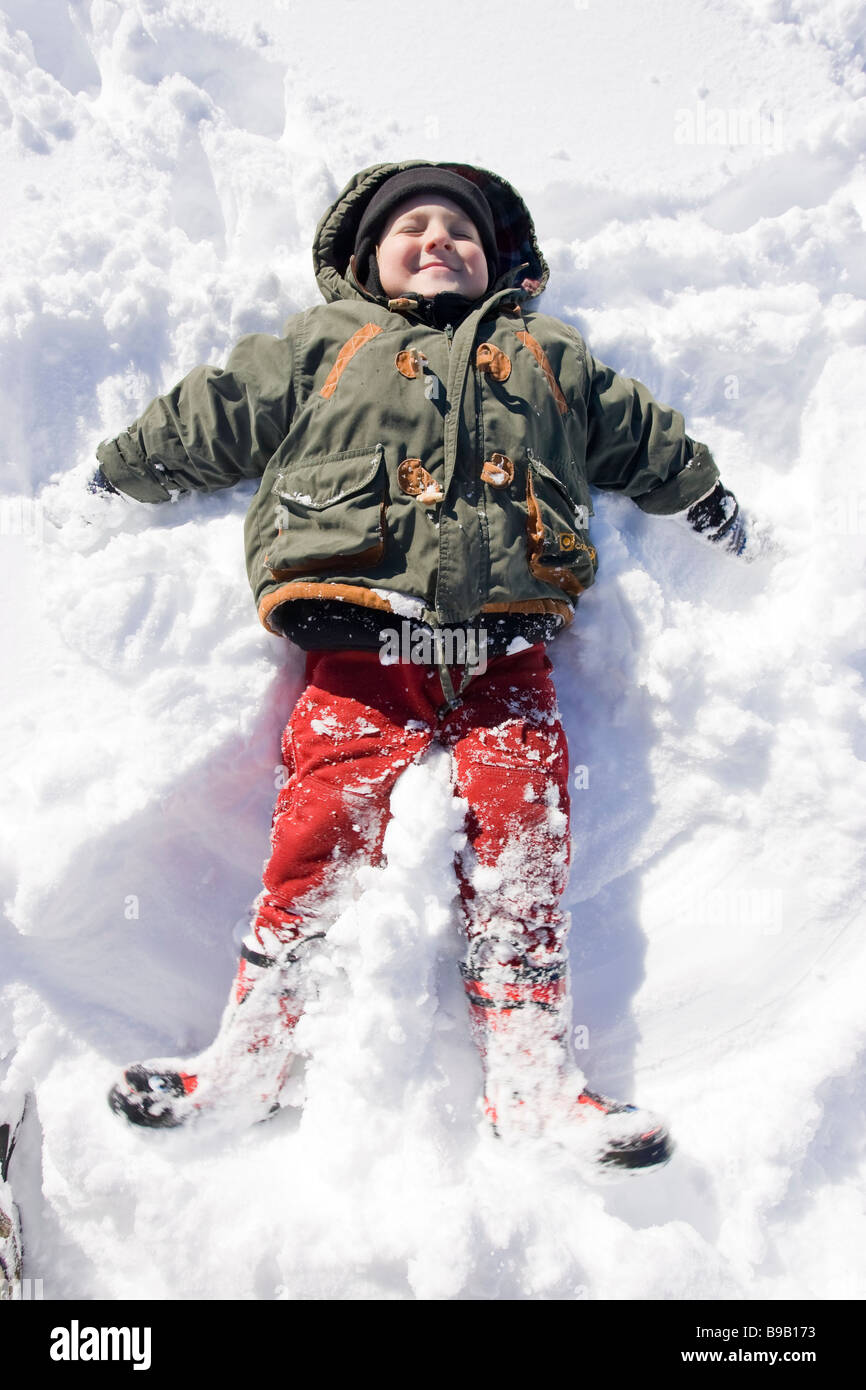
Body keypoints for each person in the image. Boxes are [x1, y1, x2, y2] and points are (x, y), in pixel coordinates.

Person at [93, 161, 746, 1171]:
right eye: (413, 227)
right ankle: (253, 1058)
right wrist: (125, 464)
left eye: (462, 232)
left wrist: (697, 489)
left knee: (523, 841)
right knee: (316, 833)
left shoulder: (548, 354)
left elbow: (633, 429)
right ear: (365, 259)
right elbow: (221, 406)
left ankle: (531, 1082)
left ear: (502, 266)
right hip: (362, 641)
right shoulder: (324, 343)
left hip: (503, 651)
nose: (438, 239)